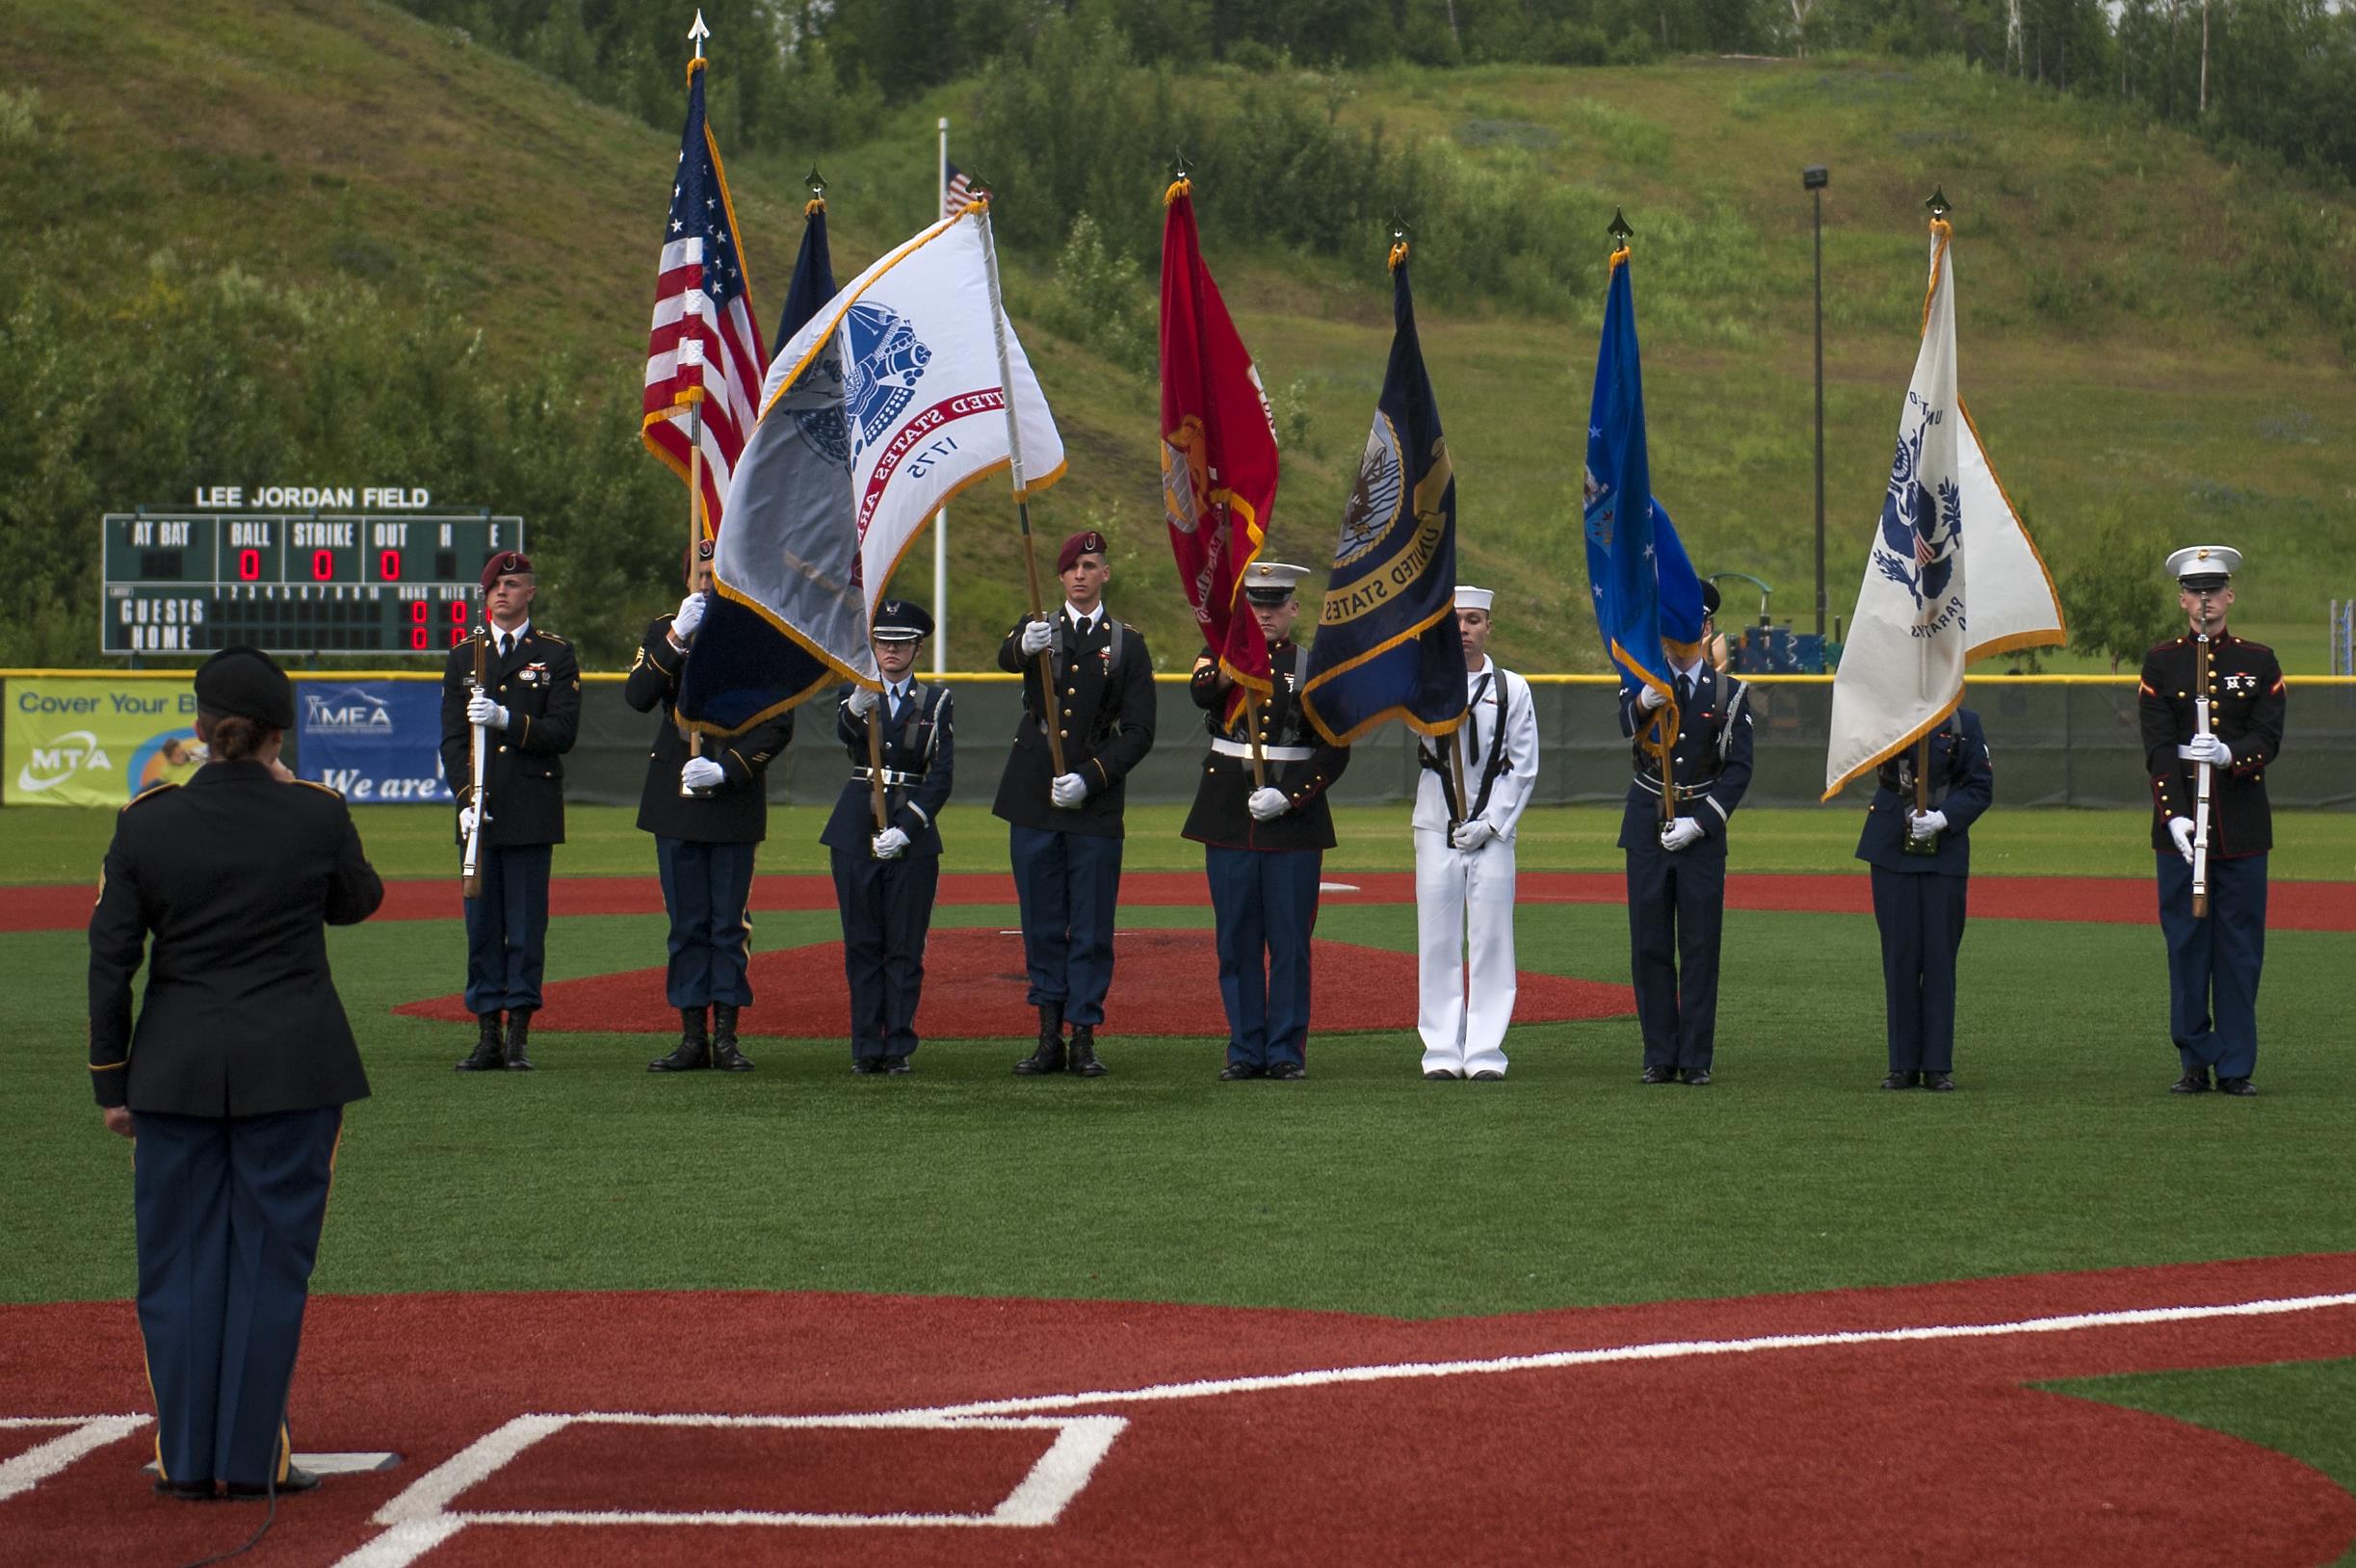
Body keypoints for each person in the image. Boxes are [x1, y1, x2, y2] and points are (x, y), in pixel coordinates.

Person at [88, 646, 383, 1502]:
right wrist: (289, 792)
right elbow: (357, 901)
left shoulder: (146, 821)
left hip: (173, 1072)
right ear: (277, 735)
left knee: (177, 1270)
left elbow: (111, 963)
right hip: (292, 1069)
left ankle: (186, 1462)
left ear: (198, 728)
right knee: (268, 1271)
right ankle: (255, 1461)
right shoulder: (316, 814)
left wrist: (112, 1081)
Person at [625, 539, 793, 1074]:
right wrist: (677, 638)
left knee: (729, 924)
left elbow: (778, 722)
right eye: (700, 573)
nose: (707, 582)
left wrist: (728, 769)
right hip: (674, 800)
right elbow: (638, 695)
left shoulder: (760, 635)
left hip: (732, 798)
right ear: (686, 578)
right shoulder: (665, 629)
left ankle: (726, 1037)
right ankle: (691, 1037)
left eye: (717, 573)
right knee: (686, 923)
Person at [995, 530, 1157, 1077]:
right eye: (1071, 568)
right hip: (1033, 794)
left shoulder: (1127, 643)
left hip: (1094, 801)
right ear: (1060, 577)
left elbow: (1139, 731)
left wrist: (1092, 777)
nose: (1080, 575)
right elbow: (1005, 657)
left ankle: (1084, 1035)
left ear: (1105, 573)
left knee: (1090, 925)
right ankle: (1048, 1036)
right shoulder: (1038, 627)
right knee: (1041, 920)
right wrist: (1024, 646)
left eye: (1090, 566)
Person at [1183, 562, 1350, 1082]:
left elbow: (1335, 749)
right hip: (1228, 816)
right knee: (1236, 941)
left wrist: (1289, 796)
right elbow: (1202, 692)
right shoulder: (1218, 657)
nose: (1266, 614)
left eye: (1275, 605)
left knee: (1290, 943)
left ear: (1293, 609)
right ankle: (1244, 1049)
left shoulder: (1314, 667)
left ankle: (1284, 1051)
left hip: (1292, 823)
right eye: (1256, 605)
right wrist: (1234, 661)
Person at [2139, 544, 2286, 1097]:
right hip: (2181, 835)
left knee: (2239, 952)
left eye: (2214, 590)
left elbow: (2268, 737)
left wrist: (2230, 755)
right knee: (2186, 948)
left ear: (2230, 596)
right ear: (2182, 600)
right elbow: (2158, 748)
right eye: (2194, 591)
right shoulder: (2161, 663)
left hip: (2241, 828)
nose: (2205, 600)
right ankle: (2195, 1059)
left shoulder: (2259, 661)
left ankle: (2236, 1066)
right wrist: (2174, 817)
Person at [440, 550, 580, 1072]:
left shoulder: (555, 654)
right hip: (479, 813)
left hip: (530, 808)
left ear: (530, 593)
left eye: (513, 584)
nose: (502, 591)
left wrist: (507, 719)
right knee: (481, 928)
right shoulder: (465, 656)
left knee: (524, 928)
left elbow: (562, 733)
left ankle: (518, 1033)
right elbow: (453, 741)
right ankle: (487, 1035)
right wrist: (464, 801)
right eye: (495, 585)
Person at [1618, 580, 1754, 1086]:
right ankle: (1659, 1055)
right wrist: (1642, 702)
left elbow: (1738, 769)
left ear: (1706, 628)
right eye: (1669, 624)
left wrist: (1702, 822)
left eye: (1687, 623)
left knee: (1699, 946)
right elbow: (1622, 723)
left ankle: (1696, 1056)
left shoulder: (1729, 693)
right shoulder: (1641, 679)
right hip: (1647, 826)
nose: (1677, 633)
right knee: (1649, 946)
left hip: (1701, 831)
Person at [821, 599, 955, 1074]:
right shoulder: (855, 694)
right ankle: (865, 1047)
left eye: (901, 643)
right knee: (861, 944)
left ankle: (897, 1044)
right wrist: (855, 709)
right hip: (855, 828)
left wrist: (907, 827)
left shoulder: (935, 701)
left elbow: (941, 776)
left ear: (918, 648)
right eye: (882, 642)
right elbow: (846, 736)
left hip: (911, 834)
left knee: (904, 945)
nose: (891, 651)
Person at [1414, 586, 1539, 1082]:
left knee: (1491, 938)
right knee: (1437, 938)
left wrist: (1490, 823)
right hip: (1435, 823)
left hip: (1493, 831)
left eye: (1472, 620)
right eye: (1456, 621)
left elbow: (1523, 764)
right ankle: (1441, 1049)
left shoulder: (1513, 688)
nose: (1464, 630)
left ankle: (1486, 1050)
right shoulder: (1424, 684)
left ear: (1488, 627)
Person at [1855, 710, 1994, 1091]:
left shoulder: (1965, 723)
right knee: (1900, 956)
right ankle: (1902, 1064)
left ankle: (1936, 1065)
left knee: (1939, 957)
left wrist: (1944, 817)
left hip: (1944, 849)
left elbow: (1980, 787)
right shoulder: (1886, 716)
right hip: (1891, 843)